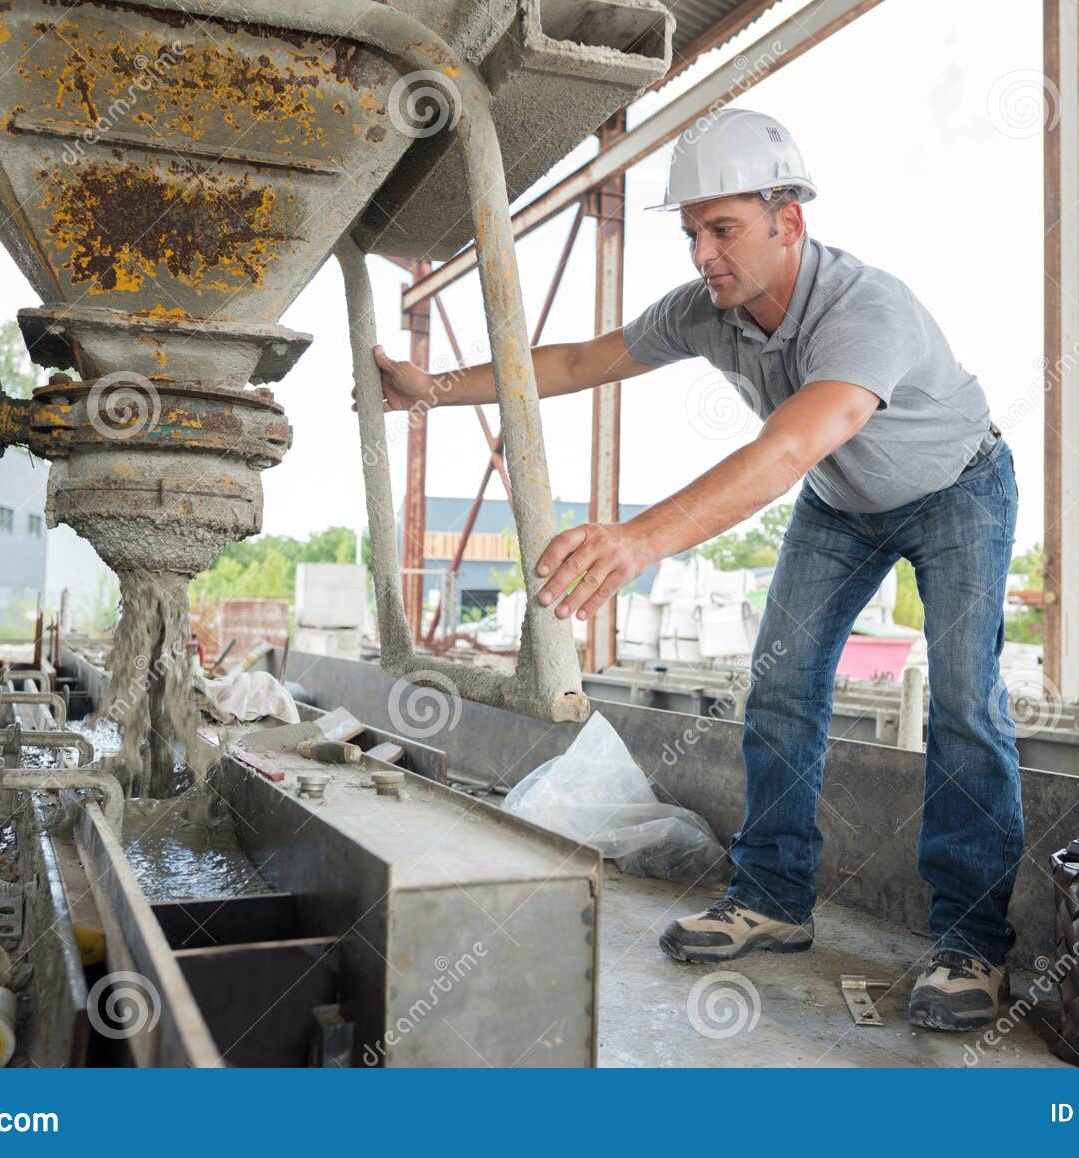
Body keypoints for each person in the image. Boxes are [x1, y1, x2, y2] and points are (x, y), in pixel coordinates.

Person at [372, 108, 1022, 1032]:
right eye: (690, 232)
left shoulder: (868, 309)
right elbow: (576, 360)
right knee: (783, 685)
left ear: (787, 220)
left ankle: (973, 942)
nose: (702, 253)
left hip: (956, 488)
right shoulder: (708, 310)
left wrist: (642, 539)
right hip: (844, 503)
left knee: (964, 699)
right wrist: (432, 388)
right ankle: (772, 897)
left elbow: (792, 445)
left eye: (722, 230)